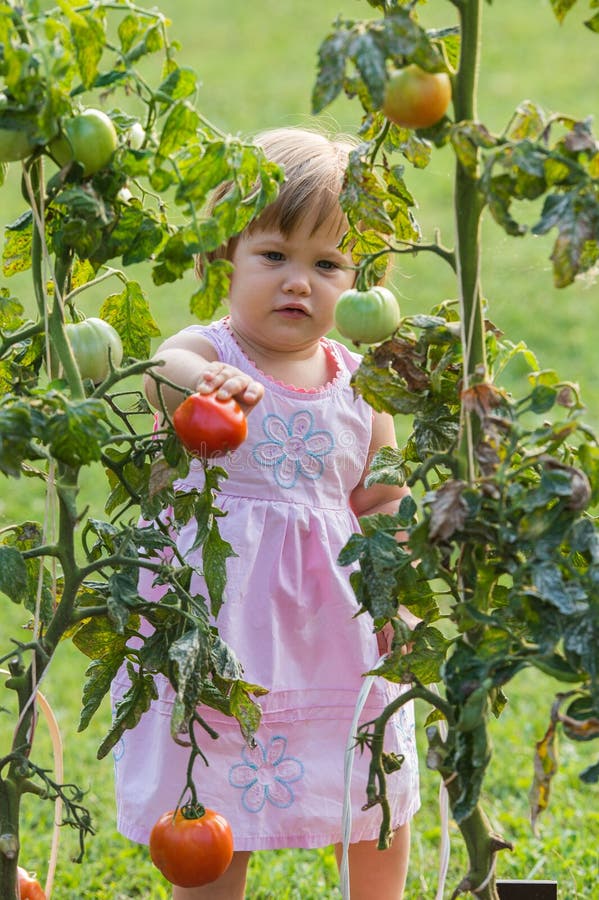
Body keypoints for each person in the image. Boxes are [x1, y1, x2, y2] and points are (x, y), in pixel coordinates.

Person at [111, 126, 420, 900]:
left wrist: (400, 586)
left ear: (360, 283)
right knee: (214, 799)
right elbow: (158, 371)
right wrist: (204, 383)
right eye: (274, 255)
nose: (298, 283)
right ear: (227, 255)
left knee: (373, 785)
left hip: (337, 637)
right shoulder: (212, 352)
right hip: (223, 636)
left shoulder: (361, 382)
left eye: (327, 266)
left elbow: (382, 499)